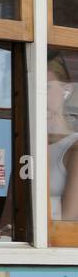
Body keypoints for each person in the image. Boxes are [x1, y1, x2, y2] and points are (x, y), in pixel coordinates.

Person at [47, 57, 78, 221]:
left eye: (47, 87)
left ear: (66, 90)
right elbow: (11, 209)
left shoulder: (74, 147)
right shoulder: (27, 144)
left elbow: (69, 221)